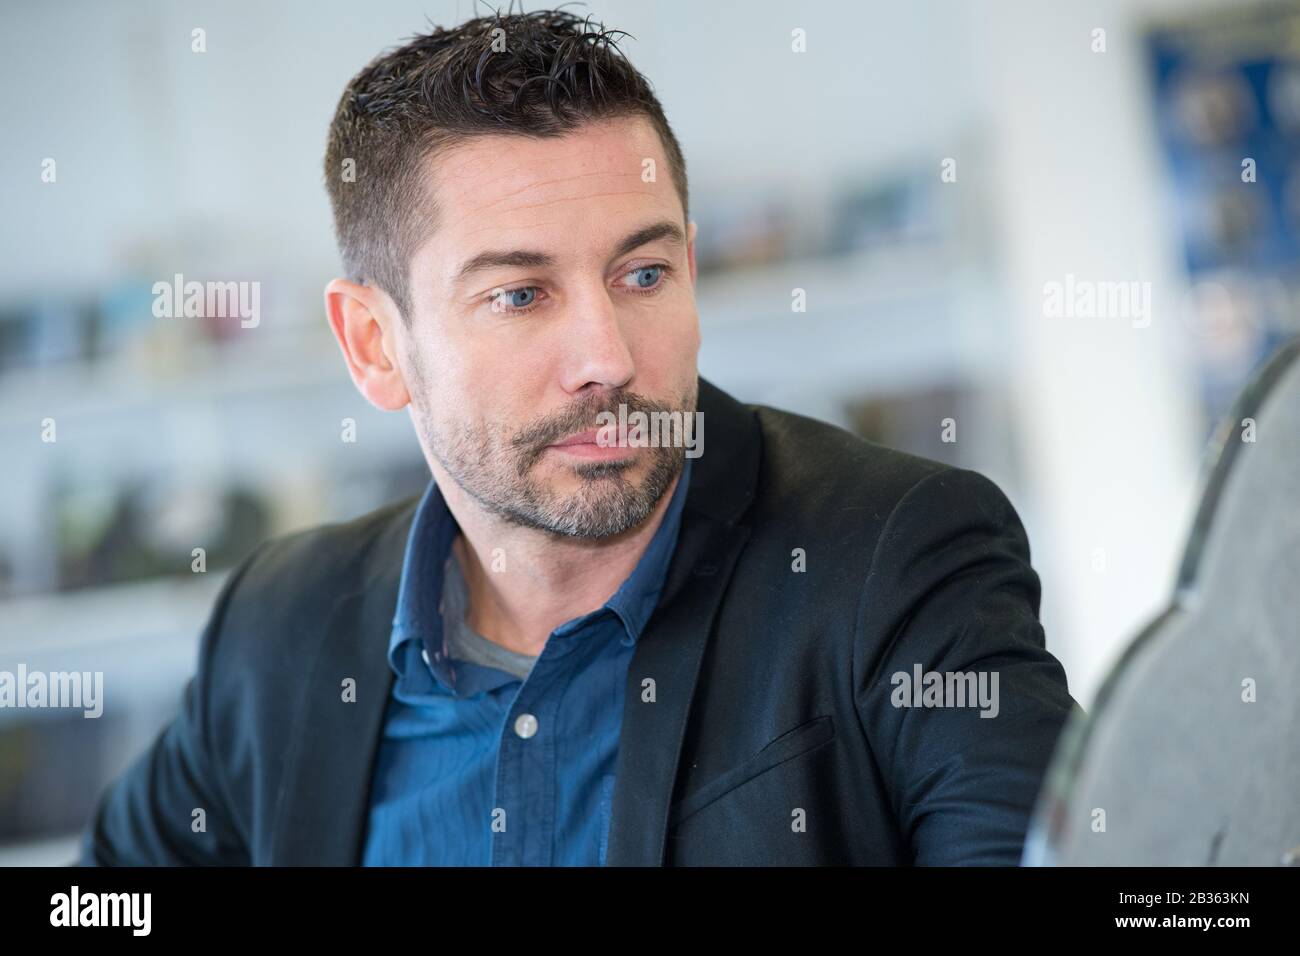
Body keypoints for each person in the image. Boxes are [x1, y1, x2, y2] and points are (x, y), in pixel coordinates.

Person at [79, 8, 1079, 867]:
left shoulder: (897, 556)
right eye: (520, 294)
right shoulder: (280, 626)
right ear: (374, 344)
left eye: (642, 274)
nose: (605, 354)